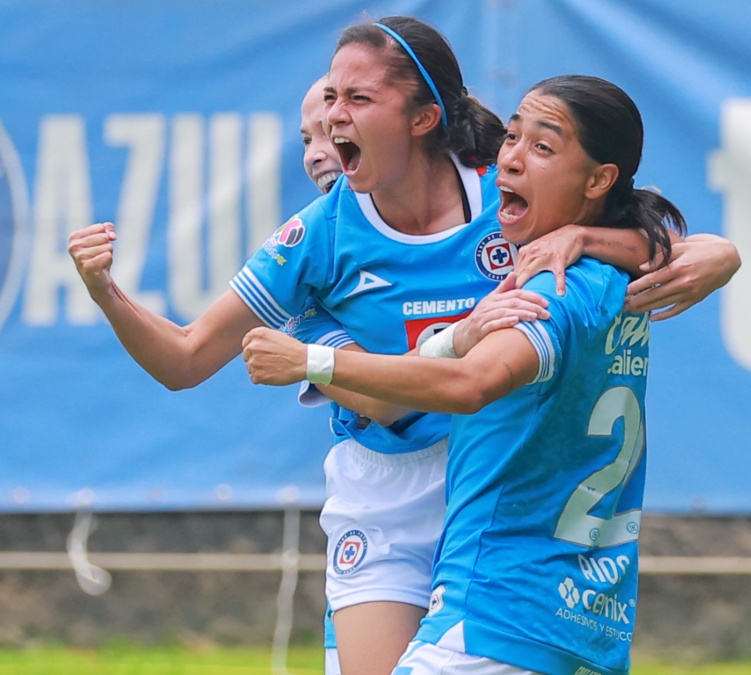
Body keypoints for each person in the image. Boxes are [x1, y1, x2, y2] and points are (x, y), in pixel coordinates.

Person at [70, 17, 736, 675]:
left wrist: (688, 251)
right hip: (389, 487)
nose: (328, 128)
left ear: (423, 118)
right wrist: (107, 292)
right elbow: (192, 361)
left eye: (352, 100)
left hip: (489, 468)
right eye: (322, 108)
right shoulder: (318, 244)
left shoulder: (502, 190)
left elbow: (648, 236)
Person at [242, 73, 685, 675]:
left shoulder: (551, 289)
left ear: (599, 179)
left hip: (498, 612)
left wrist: (310, 363)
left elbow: (470, 385)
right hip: (584, 617)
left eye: (543, 147)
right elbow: (685, 247)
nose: (513, 159)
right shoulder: (621, 273)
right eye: (511, 138)